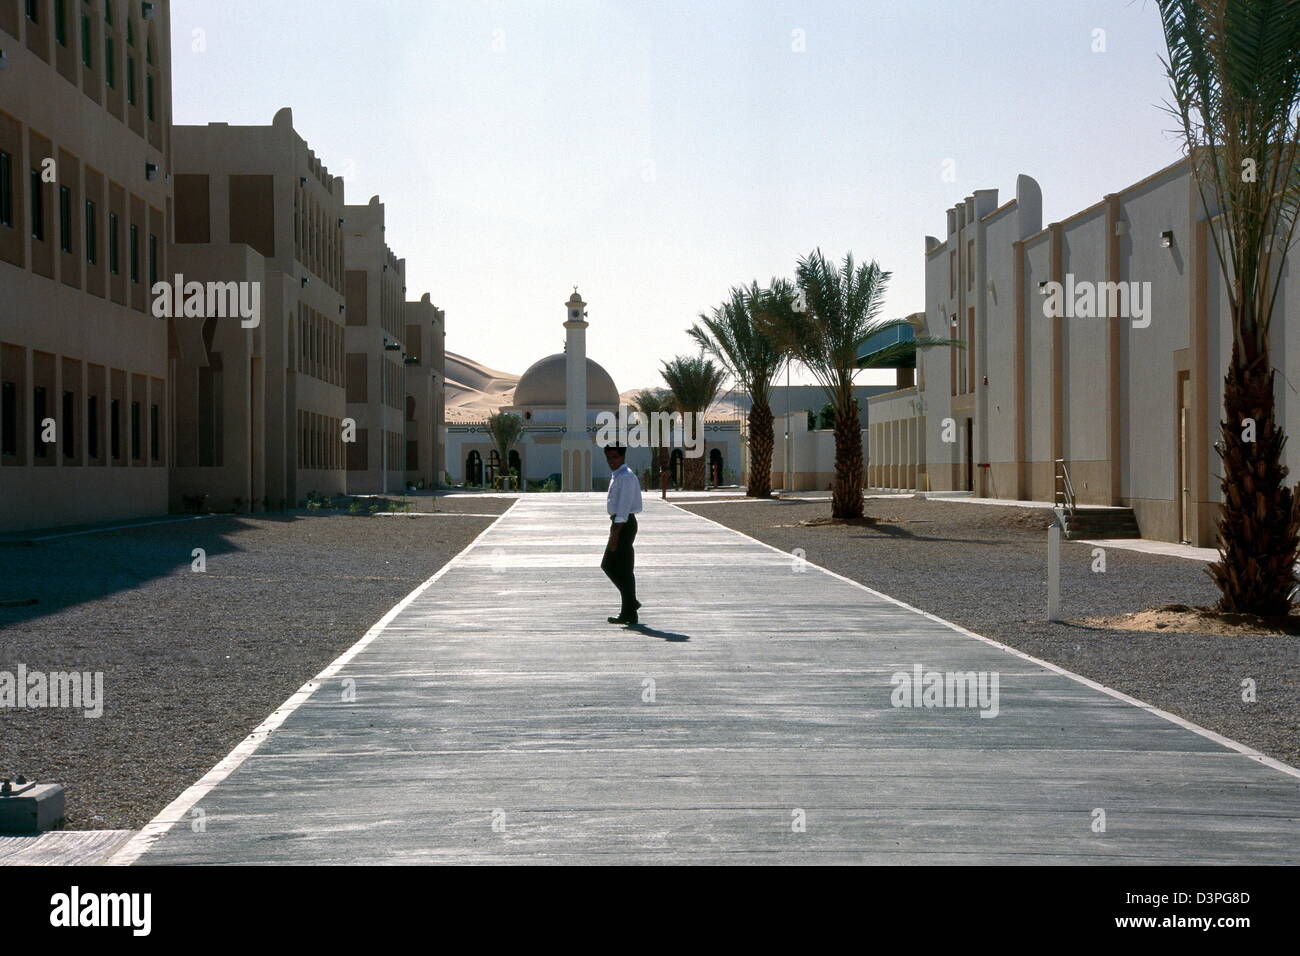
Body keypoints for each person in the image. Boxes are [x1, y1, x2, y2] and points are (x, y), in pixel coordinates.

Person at [602, 445, 643, 625]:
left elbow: (624, 507)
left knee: (609, 565)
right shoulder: (618, 475)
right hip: (619, 523)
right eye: (609, 458)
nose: (612, 461)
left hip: (623, 524)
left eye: (615, 457)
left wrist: (615, 534)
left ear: (623, 456)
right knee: (624, 569)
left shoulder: (625, 476)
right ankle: (629, 611)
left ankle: (631, 603)